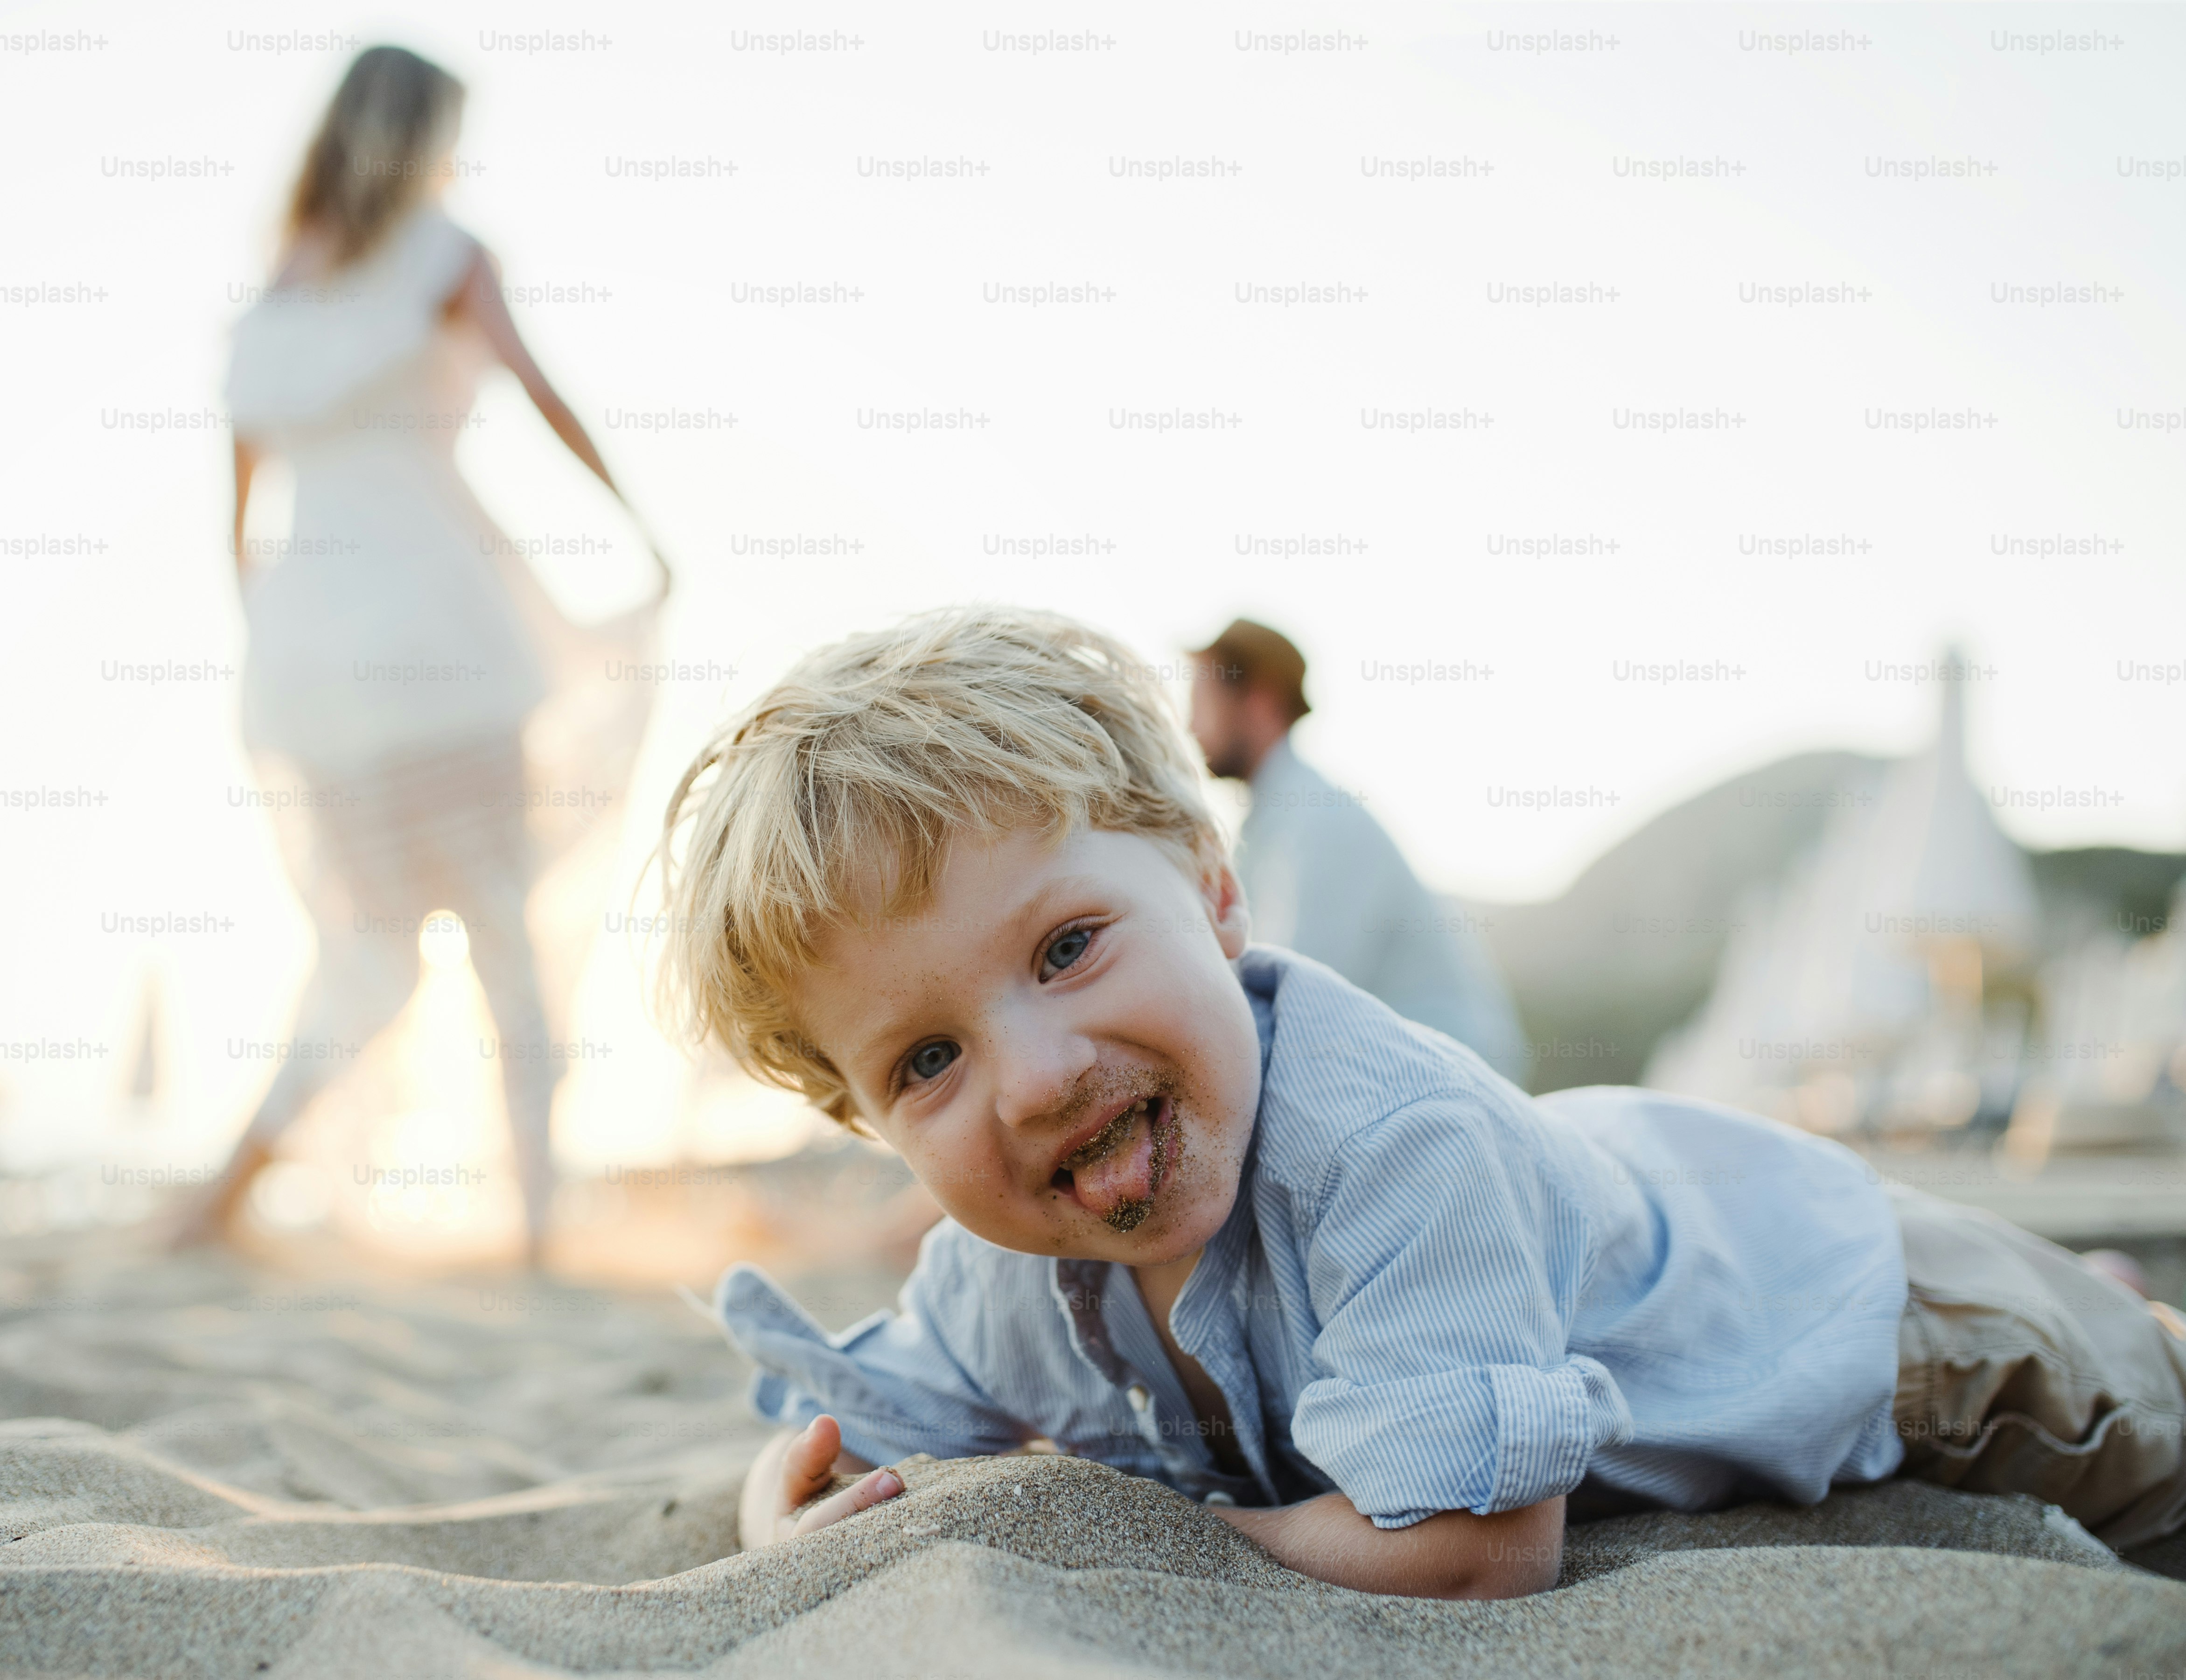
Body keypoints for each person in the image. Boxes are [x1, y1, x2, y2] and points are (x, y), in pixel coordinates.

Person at [651, 606, 2186, 1596]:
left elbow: (1468, 1550)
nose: (1037, 1074)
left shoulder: (1389, 1146)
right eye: (925, 1062)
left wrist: (1125, 1535)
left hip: (1877, 1317)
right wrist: (784, 1522)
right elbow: (854, 1443)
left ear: (1214, 895)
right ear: (862, 1118)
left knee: (2132, 1426)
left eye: (1066, 947)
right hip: (1635, 1201)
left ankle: (2110, 1309)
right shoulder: (998, 1268)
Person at [175, 46, 663, 1257]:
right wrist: (640, 529)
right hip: (439, 639)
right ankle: (536, 1224)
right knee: (500, 926)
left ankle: (220, 1195)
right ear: (423, 136)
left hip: (308, 661)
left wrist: (270, 635)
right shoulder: (446, 256)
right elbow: (543, 397)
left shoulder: (275, 294)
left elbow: (237, 503)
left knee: (369, 948)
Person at [1187, 618, 1529, 1081]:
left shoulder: (1320, 821)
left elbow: (1288, 1003)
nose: (1189, 725)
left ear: (1260, 701)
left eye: (1202, 701)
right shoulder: (1277, 820)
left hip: (1448, 1086)